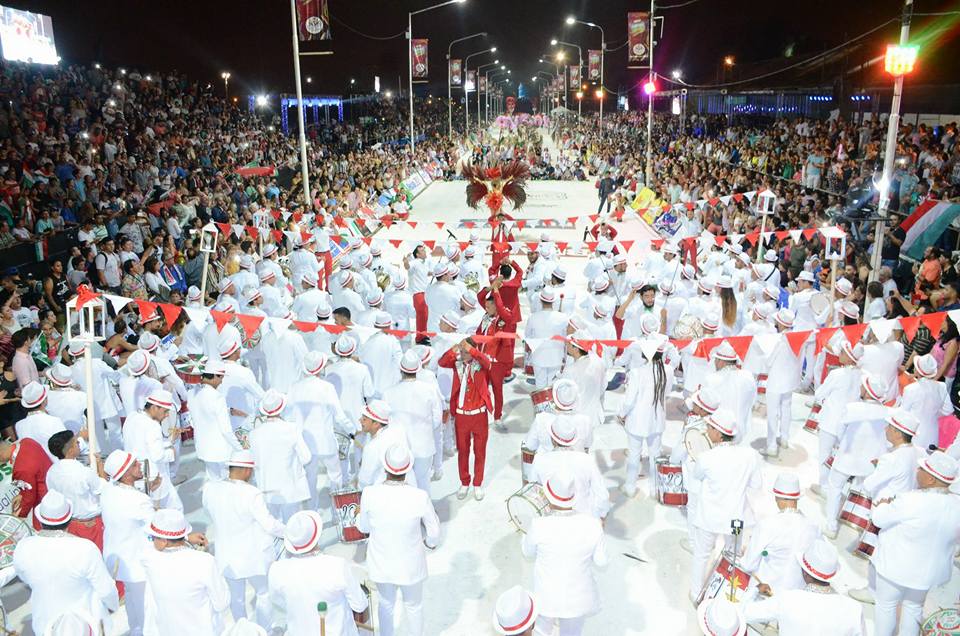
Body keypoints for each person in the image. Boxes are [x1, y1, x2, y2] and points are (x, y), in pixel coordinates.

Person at [869, 451, 960, 636]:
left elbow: (878, 519)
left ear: (931, 480)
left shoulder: (912, 500)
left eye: (922, 469)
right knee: (913, 609)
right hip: (929, 574)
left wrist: (883, 504)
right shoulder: (957, 504)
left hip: (895, 568)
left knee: (886, 606)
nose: (917, 470)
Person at [357, 444, 440, 636]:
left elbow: (364, 528)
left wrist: (357, 516)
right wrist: (429, 543)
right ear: (408, 468)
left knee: (386, 605)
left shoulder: (369, 493)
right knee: (414, 606)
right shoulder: (419, 496)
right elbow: (434, 531)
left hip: (381, 563)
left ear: (385, 468)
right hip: (411, 565)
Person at [12, 490, 118, 635]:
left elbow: (25, 577)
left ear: (41, 520)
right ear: (69, 520)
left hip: (45, 623)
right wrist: (113, 606)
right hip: (86, 623)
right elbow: (105, 589)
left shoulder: (23, 547)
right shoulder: (85, 548)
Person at [202, 450, 285, 629]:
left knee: (237, 599)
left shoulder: (210, 489)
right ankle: (266, 631)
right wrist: (291, 532)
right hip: (253, 556)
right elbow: (269, 525)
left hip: (227, 556)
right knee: (263, 593)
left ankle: (243, 631)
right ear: (248, 471)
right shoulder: (252, 493)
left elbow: (211, 513)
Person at [688, 409, 763, 602]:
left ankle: (696, 594)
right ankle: (729, 594)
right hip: (736, 519)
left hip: (709, 518)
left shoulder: (707, 458)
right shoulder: (750, 455)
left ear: (719, 433)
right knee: (735, 554)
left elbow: (696, 476)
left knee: (701, 555)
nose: (706, 430)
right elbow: (756, 485)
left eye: (710, 427)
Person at [521, 471, 607, 636]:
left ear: (548, 497)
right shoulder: (593, 524)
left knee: (540, 632)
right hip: (578, 599)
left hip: (546, 598)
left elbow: (527, 552)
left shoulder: (538, 525)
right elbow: (601, 561)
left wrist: (526, 531)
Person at [268, 510, 369, 636]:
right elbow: (360, 605)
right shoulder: (336, 565)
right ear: (317, 536)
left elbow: (280, 603)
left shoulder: (277, 570)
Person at [742, 540, 866, 635]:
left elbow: (745, 613)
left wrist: (755, 590)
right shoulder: (854, 609)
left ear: (805, 572)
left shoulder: (788, 599)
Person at [141, 508, 228, 636]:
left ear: (164, 541)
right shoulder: (204, 562)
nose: (151, 540)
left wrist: (185, 538)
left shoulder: (149, 559)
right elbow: (222, 603)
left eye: (152, 537)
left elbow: (146, 546)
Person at [285, 351, 355, 505]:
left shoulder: (294, 387)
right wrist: (353, 431)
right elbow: (339, 416)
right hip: (326, 442)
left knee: (310, 480)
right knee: (336, 476)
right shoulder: (327, 387)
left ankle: (312, 511)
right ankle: (337, 511)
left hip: (304, 443)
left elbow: (288, 416)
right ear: (321, 368)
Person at [740, 473, 819, 595]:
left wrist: (746, 552)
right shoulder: (814, 528)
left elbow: (748, 564)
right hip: (796, 598)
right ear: (797, 498)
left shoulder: (767, 525)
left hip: (766, 595)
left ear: (777, 498)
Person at [439, 338, 494, 500]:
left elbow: (486, 362)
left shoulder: (481, 364)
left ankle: (477, 483)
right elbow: (442, 362)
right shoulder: (457, 364)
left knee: (480, 451)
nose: (462, 355)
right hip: (462, 416)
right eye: (461, 352)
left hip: (479, 415)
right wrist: (454, 347)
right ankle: (464, 482)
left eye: (466, 352)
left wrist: (473, 350)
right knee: (463, 451)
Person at [247, 390, 311, 522]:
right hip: (290, 488)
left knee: (273, 528)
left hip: (265, 488)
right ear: (281, 409)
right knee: (292, 526)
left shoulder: (254, 434)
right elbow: (306, 457)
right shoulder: (291, 428)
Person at [382, 350, 442, 491]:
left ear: (401, 369)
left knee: (401, 488)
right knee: (423, 484)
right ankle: (424, 511)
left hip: (398, 449)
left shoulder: (388, 393)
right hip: (424, 446)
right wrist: (424, 430)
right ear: (418, 369)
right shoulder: (429, 390)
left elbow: (385, 423)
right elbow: (437, 419)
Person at [530, 418, 610, 520]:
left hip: (550, 519)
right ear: (573, 439)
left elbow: (533, 493)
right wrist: (599, 517)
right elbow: (602, 496)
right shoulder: (587, 460)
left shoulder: (539, 460)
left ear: (552, 439)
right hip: (583, 518)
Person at [122, 388, 182, 510]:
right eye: (165, 412)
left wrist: (169, 441)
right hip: (155, 477)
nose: (166, 416)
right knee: (173, 510)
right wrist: (171, 451)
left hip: (136, 474)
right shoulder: (153, 425)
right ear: (155, 407)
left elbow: (142, 443)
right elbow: (157, 455)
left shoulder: (132, 417)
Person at [45, 430, 106, 549]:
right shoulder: (83, 472)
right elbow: (104, 489)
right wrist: (100, 467)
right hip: (91, 526)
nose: (79, 443)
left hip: (68, 526)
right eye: (76, 442)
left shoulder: (51, 472)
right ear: (70, 450)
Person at [189, 359, 243, 481]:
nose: (221, 381)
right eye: (221, 377)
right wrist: (240, 449)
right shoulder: (217, 398)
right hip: (221, 452)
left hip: (203, 449)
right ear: (214, 376)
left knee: (214, 482)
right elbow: (226, 431)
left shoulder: (191, 393)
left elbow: (195, 418)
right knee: (227, 484)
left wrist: (228, 410)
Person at [477, 279, 518, 431]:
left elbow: (500, 307)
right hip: (482, 358)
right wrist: (489, 287)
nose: (486, 308)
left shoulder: (505, 316)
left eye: (489, 306)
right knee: (480, 388)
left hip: (497, 361)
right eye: (485, 306)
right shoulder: (487, 315)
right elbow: (480, 297)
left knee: (497, 390)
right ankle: (481, 413)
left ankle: (497, 416)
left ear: (496, 305)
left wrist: (496, 291)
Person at [0, 437, 51, 527]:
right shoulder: (27, 441)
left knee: (41, 528)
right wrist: (21, 494)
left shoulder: (20, 469)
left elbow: (29, 496)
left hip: (44, 499)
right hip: (51, 481)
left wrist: (18, 517)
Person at [15, 381, 67, 461]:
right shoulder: (53, 421)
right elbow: (67, 446)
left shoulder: (19, 425)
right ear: (44, 401)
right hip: (55, 466)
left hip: (35, 468)